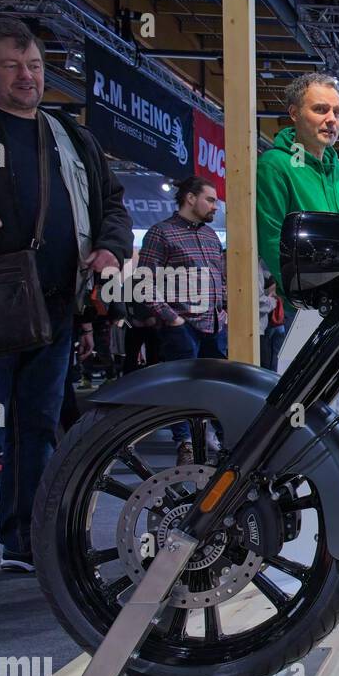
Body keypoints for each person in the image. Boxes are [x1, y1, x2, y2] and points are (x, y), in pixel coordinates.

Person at [0, 17, 131, 601]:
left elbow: (114, 204)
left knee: (38, 431)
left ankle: (28, 540)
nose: (26, 77)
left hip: (55, 308)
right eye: (11, 66)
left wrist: (110, 246)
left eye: (34, 66)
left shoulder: (70, 135)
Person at [256, 72, 339, 424]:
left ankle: (333, 481)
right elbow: (272, 238)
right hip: (306, 312)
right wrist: (305, 296)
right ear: (293, 113)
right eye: (320, 109)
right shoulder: (275, 165)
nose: (331, 119)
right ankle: (297, 481)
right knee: (307, 413)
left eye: (337, 111)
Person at [136, 175, 226, 465]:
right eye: (210, 200)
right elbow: (143, 283)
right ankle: (185, 444)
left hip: (214, 326)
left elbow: (219, 278)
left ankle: (227, 444)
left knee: (219, 387)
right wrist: (171, 318)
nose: (215, 206)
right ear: (190, 198)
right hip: (181, 326)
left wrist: (223, 309)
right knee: (182, 389)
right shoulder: (161, 233)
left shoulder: (211, 236)